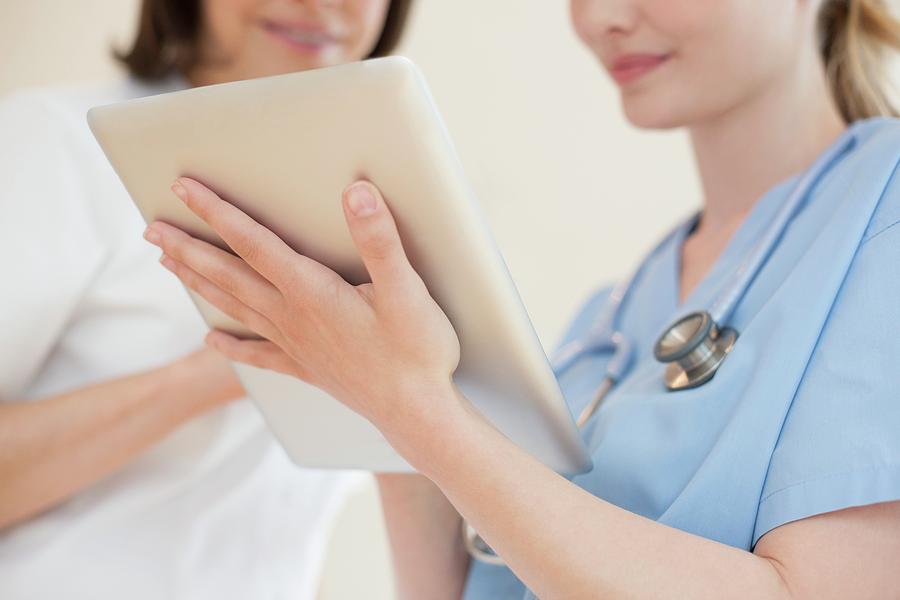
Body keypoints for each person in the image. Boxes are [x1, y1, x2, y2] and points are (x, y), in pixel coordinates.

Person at [139, 0, 900, 598]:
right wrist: (376, 400)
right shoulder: (610, 316)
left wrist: (415, 409)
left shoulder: (881, 209)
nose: (600, 17)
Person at [0, 1, 412, 599]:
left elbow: (275, 524)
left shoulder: (383, 196)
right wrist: (237, 359)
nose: (321, 3)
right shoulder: (55, 143)